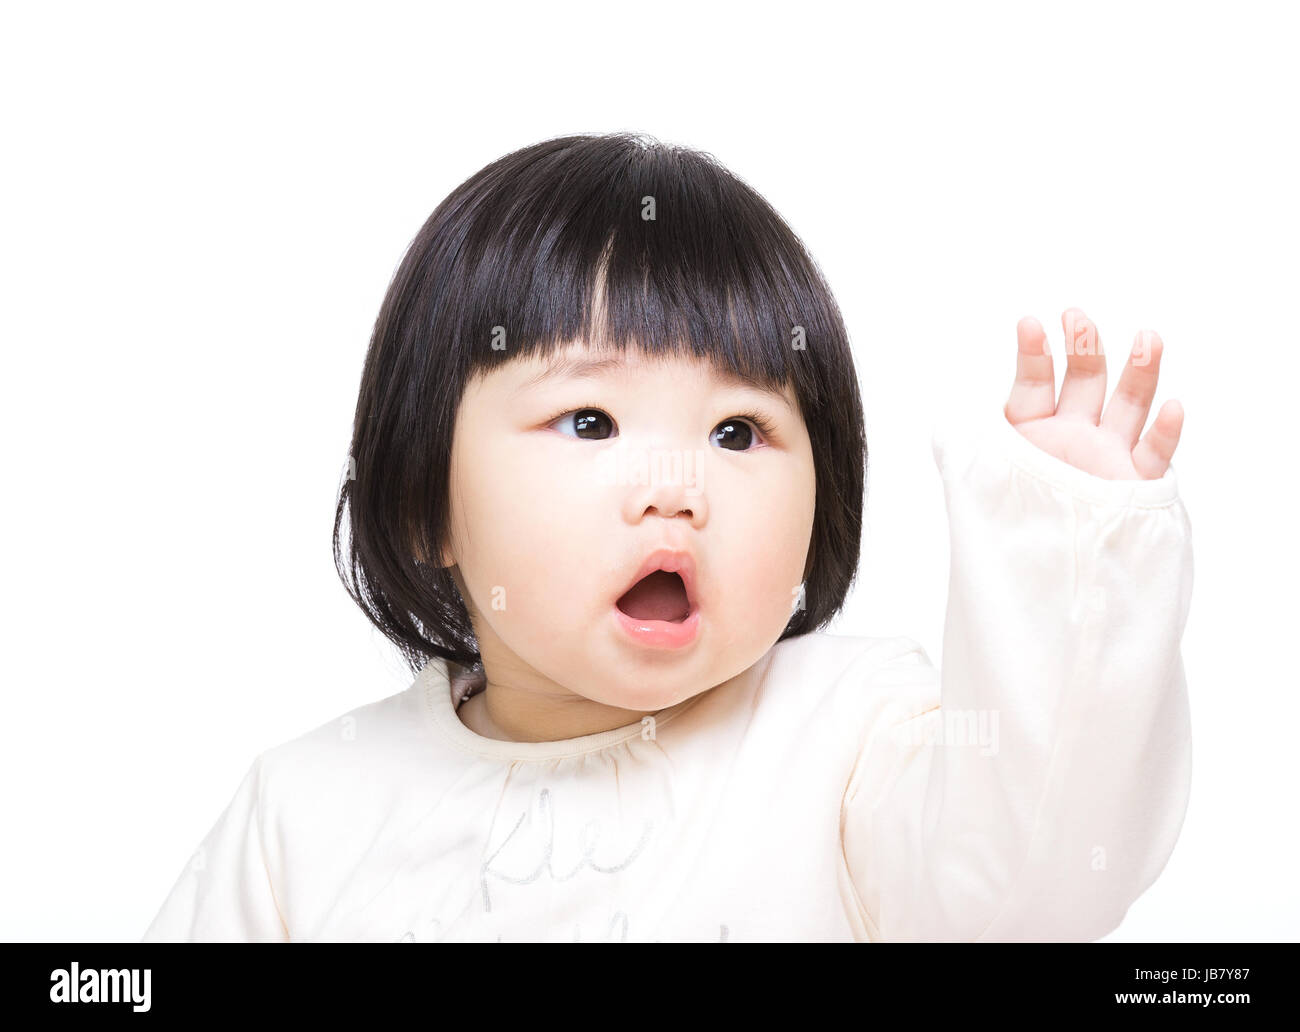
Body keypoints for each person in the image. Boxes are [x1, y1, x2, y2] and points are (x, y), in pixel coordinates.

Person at [142, 132, 1192, 942]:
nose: (678, 491)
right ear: (425, 498)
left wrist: (1064, 558)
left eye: (738, 432)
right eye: (589, 421)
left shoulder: (851, 741)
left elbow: (1032, 883)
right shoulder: (306, 810)